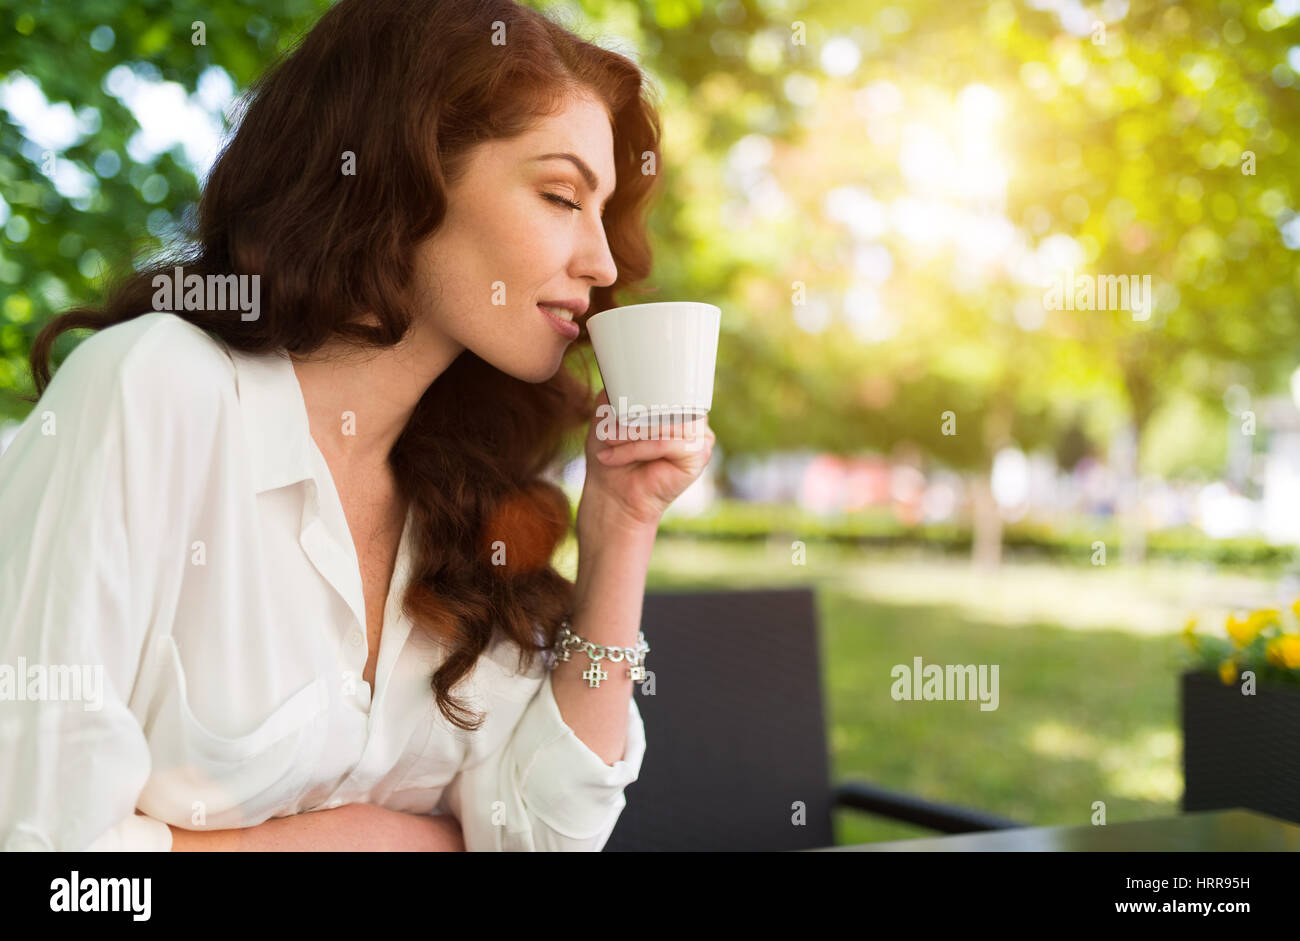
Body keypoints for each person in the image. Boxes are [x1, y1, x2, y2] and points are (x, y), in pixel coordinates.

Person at [0, 0, 714, 851]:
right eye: (562, 195)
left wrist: (621, 529)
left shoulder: (463, 488)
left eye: (602, 215)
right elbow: (48, 854)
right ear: (401, 171)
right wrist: (387, 839)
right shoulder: (153, 392)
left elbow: (543, 835)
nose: (600, 265)